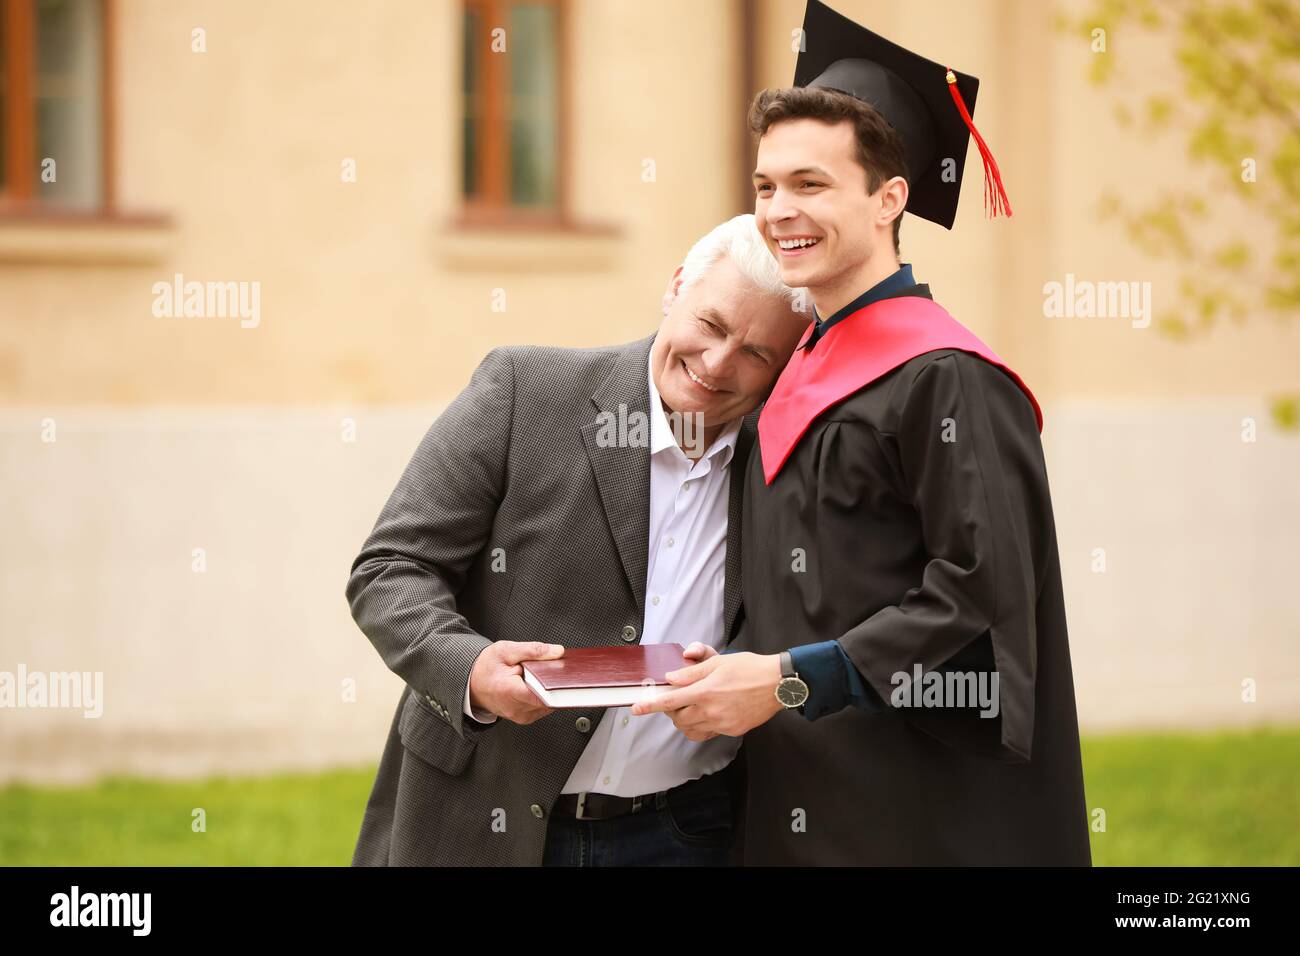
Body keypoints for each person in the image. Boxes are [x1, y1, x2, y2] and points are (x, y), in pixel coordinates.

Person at [632, 0, 1092, 865]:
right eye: (766, 186)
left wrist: (791, 678)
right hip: (791, 797)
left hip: (917, 811)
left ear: (890, 199)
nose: (779, 211)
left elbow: (982, 594)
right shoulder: (793, 367)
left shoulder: (945, 378)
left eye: (812, 185)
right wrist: (728, 663)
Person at [347, 214, 809, 866]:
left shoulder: (793, 464)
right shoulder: (524, 391)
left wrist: (774, 688)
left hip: (688, 831)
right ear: (677, 287)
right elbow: (390, 568)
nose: (717, 363)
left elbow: (827, 645)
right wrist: (469, 669)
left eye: (757, 353)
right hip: (486, 819)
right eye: (711, 325)